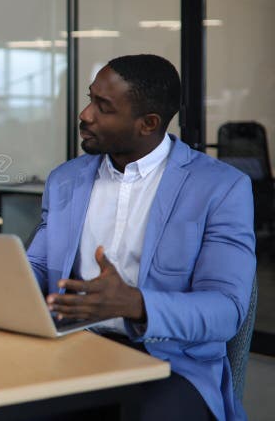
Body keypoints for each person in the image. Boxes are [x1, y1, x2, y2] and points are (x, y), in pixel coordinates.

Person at [27, 55, 255, 421]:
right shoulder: (65, 179)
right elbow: (38, 265)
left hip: (170, 364)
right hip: (72, 346)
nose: (85, 115)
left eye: (103, 107)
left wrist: (135, 304)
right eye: (90, 99)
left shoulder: (220, 188)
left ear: (148, 123)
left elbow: (226, 310)